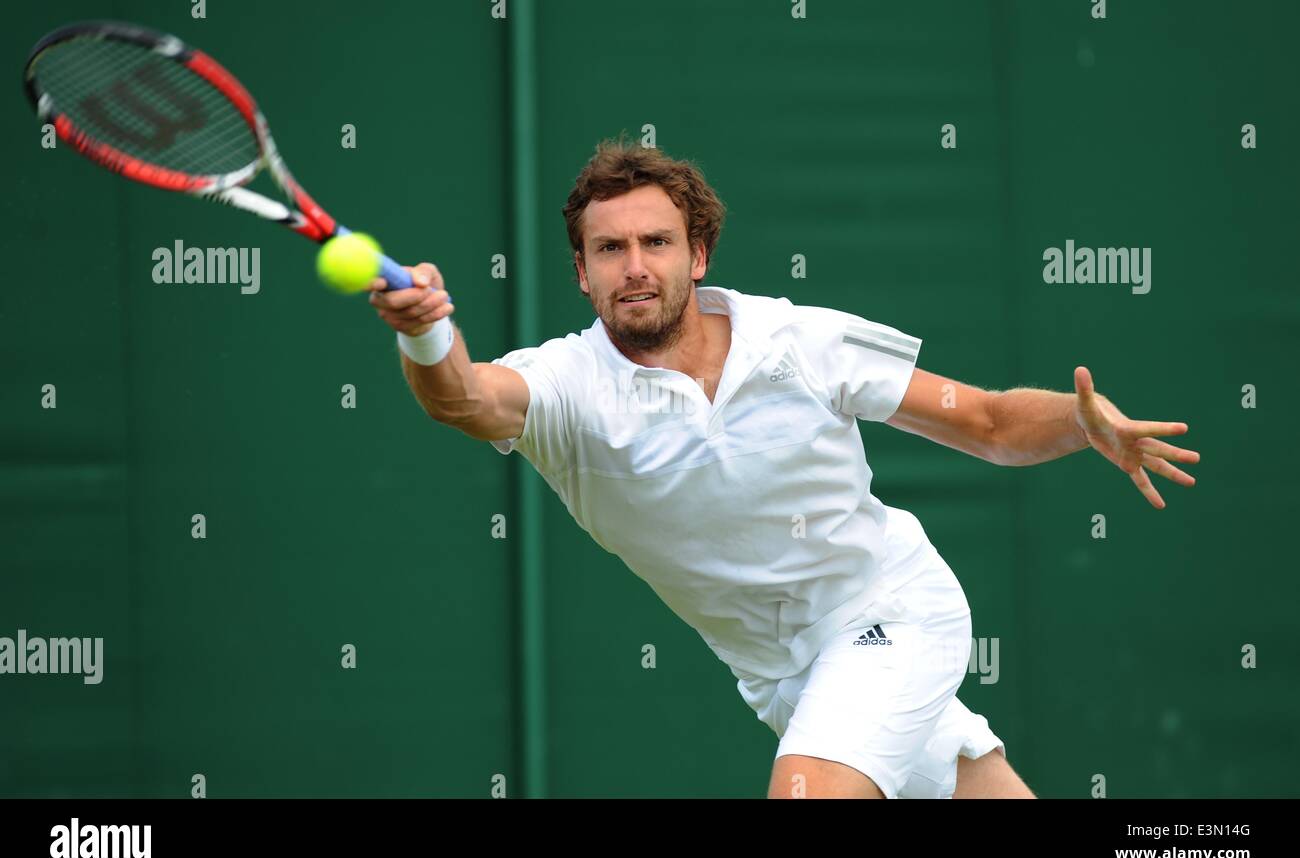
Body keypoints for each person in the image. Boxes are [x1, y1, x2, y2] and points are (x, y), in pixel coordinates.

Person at [367, 138, 1200, 798]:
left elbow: (982, 419)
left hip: (893, 615)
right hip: (781, 678)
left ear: (699, 255)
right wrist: (426, 334)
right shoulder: (565, 386)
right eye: (610, 249)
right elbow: (465, 399)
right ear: (581, 272)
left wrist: (1085, 426)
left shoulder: (802, 343)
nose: (635, 267)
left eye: (657, 242)